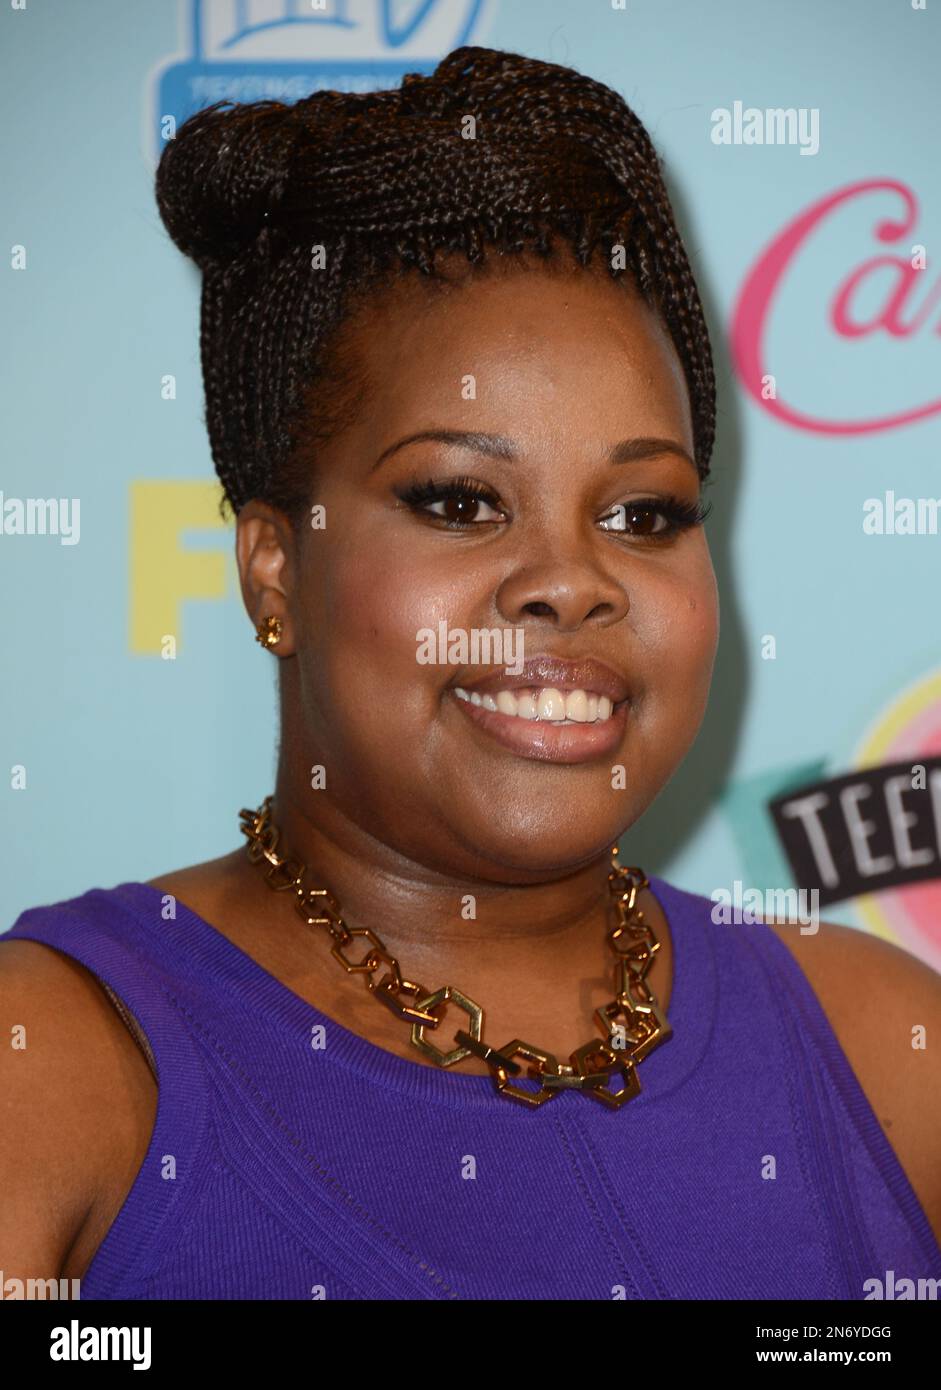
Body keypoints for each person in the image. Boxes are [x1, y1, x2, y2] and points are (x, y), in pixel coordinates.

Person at [2, 45, 939, 1301]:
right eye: (458, 499)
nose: (570, 580)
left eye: (644, 512)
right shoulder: (61, 1062)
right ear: (273, 568)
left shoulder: (884, 1044)